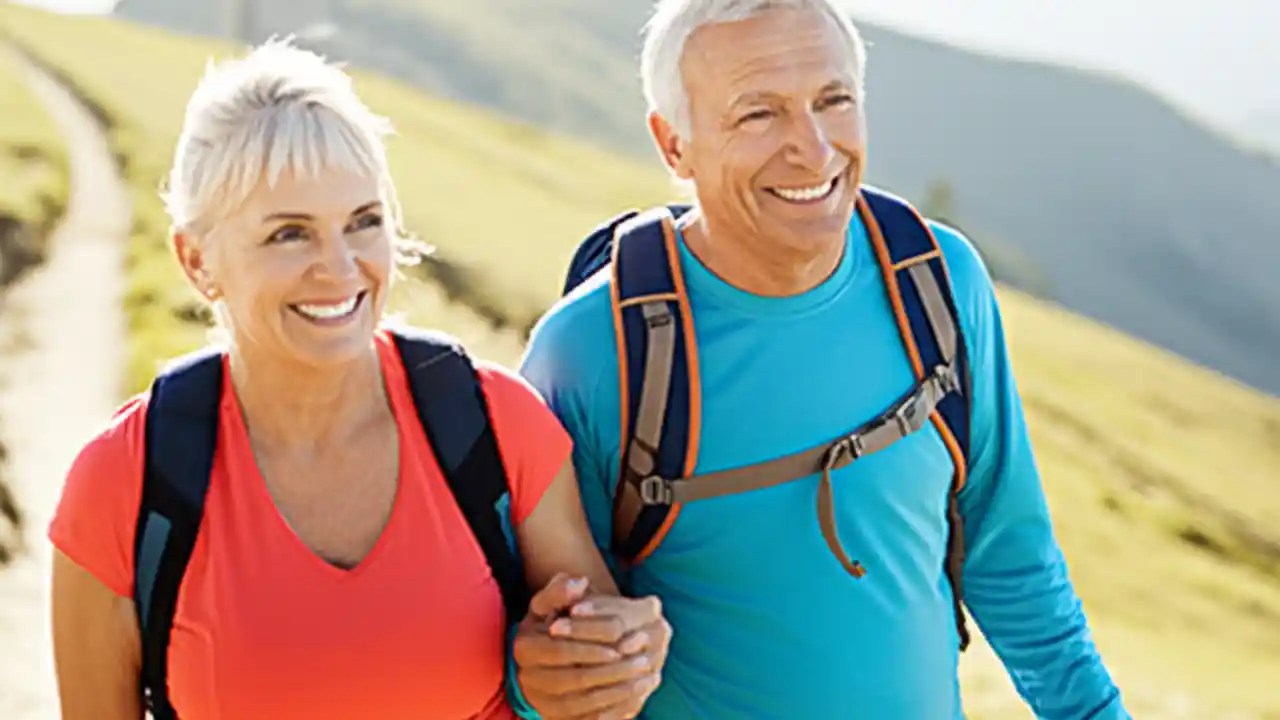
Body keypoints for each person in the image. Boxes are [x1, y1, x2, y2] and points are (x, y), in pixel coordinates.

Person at [517, 1, 1130, 718]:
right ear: (673, 144)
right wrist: (541, 681)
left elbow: (1012, 560)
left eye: (833, 100)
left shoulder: (938, 284)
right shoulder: (591, 353)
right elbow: (528, 644)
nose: (813, 149)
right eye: (758, 114)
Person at [47, 39, 668, 720]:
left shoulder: (498, 426)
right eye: (290, 234)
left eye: (363, 222)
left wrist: (610, 655)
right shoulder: (122, 483)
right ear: (197, 261)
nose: (340, 269)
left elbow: (599, 682)